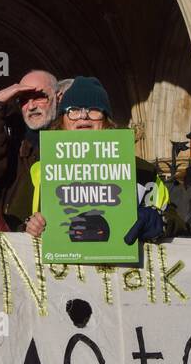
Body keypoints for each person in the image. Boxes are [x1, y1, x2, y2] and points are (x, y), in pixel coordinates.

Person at [24, 76, 166, 245]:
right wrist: (29, 225)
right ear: (62, 120)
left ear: (107, 121)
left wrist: (159, 219)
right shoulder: (39, 170)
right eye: (73, 110)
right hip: (58, 267)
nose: (84, 116)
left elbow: (174, 218)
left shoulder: (141, 170)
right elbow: (11, 225)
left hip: (122, 267)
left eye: (94, 110)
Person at [0, 69, 58, 228]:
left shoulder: (71, 139)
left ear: (58, 98)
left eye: (39, 97)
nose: (31, 106)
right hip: (16, 241)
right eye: (23, 99)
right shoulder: (13, 143)